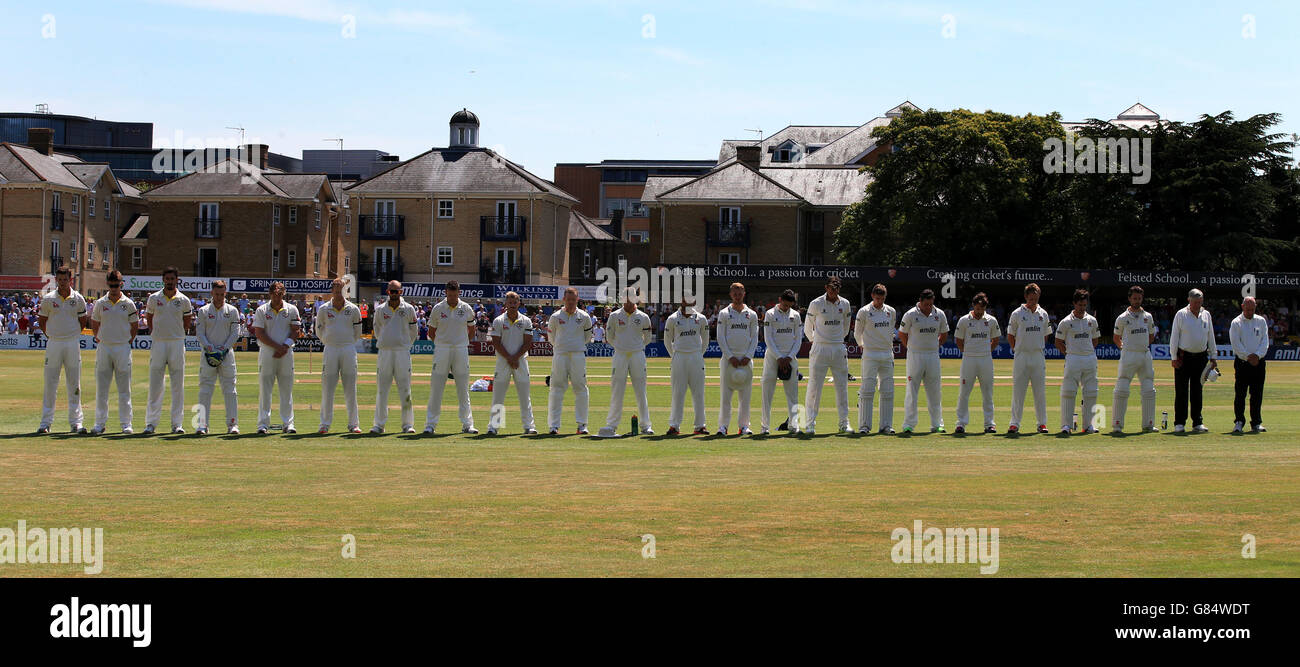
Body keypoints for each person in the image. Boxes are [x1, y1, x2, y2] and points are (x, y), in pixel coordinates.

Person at [37, 266, 89, 434]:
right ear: (56, 280)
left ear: (70, 280)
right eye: (59, 280)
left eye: (65, 280)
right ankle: (45, 423)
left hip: (72, 343)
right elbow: (42, 321)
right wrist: (53, 335)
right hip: (54, 343)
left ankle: (76, 423)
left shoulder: (78, 298)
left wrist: (71, 335)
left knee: (74, 383)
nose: (62, 283)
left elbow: (83, 321)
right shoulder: (49, 299)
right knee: (50, 383)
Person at [143, 266, 194, 434]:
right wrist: (155, 333)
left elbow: (187, 322)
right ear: (163, 280)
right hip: (159, 343)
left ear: (177, 280)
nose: (170, 282)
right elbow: (149, 318)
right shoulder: (153, 298)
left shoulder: (184, 300)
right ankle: (151, 423)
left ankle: (177, 424)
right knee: (156, 384)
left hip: (177, 343)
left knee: (177, 385)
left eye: (172, 279)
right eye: (167, 279)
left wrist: (177, 333)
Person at [424, 281, 478, 434]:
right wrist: (442, 345)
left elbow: (472, 329)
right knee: (437, 388)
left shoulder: (466, 308)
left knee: (463, 387)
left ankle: (468, 424)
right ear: (445, 293)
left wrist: (462, 343)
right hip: (442, 350)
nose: (453, 297)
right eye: (450, 294)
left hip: (460, 350)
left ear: (459, 293)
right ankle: (430, 425)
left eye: (455, 295)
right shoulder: (438, 308)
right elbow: (431, 332)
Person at [599, 290, 655, 437]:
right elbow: (609, 337)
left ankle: (646, 425)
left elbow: (647, 338)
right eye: (626, 298)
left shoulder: (643, 317)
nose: (629, 302)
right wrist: (620, 346)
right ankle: (612, 425)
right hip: (620, 355)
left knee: (641, 391)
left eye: (631, 298)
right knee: (617, 390)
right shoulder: (615, 315)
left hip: (637, 355)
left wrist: (637, 346)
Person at [802, 275, 853, 435]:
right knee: (814, 387)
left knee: (842, 387)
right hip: (820, 349)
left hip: (838, 348)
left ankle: (844, 423)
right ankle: (810, 423)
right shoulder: (816, 303)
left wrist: (836, 340)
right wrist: (817, 341)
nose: (834, 290)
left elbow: (846, 328)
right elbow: (807, 328)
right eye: (831, 287)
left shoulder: (845, 304)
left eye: (837, 287)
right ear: (826, 287)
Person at [90, 271, 138, 435]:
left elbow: (134, 326)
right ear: (107, 284)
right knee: (102, 388)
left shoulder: (129, 303)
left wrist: (126, 341)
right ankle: (99, 424)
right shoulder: (100, 303)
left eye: (116, 285)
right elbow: (95, 323)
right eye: (111, 285)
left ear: (122, 284)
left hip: (122, 348)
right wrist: (100, 338)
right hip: (105, 347)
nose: (114, 288)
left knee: (124, 389)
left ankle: (126, 424)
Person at [252, 282, 301, 434]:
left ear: (284, 294)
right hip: (267, 352)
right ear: (270, 294)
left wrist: (285, 346)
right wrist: (276, 347)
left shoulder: (291, 309)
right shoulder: (261, 310)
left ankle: (288, 423)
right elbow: (259, 333)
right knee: (265, 389)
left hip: (286, 353)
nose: (277, 298)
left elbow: (296, 330)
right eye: (274, 294)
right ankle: (263, 424)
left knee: (286, 389)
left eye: (280, 295)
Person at [898, 288, 949, 434]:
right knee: (912, 390)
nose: (928, 307)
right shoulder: (910, 314)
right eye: (926, 304)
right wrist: (911, 347)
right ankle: (908, 424)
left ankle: (937, 424)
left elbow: (944, 334)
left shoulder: (939, 314)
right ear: (920, 302)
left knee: (934, 391)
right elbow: (902, 334)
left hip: (932, 355)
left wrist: (935, 346)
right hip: (915, 356)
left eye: (931, 304)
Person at [195, 280, 242, 435]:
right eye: (217, 294)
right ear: (212, 293)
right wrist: (210, 348)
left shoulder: (232, 311)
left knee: (230, 390)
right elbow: (200, 333)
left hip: (226, 355)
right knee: (205, 390)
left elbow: (235, 333)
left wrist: (223, 349)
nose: (219, 297)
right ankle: (202, 425)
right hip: (208, 355)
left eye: (222, 294)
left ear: (225, 294)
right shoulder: (203, 311)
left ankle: (232, 424)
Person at [317, 278, 363, 434]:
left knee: (350, 388)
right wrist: (329, 341)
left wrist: (347, 342)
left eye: (341, 291)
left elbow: (357, 332)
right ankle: (324, 424)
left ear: (345, 291)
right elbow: (319, 330)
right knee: (328, 387)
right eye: (336, 291)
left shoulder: (353, 309)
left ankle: (353, 424)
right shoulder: (323, 309)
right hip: (330, 349)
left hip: (348, 349)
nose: (338, 294)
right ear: (332, 291)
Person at [371, 281, 418, 433]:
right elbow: (377, 329)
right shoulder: (380, 310)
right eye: (391, 291)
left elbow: (413, 332)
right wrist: (386, 342)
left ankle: (408, 425)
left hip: (402, 353)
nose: (394, 294)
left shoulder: (409, 309)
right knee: (382, 390)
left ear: (401, 292)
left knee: (405, 389)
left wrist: (403, 344)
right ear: (387, 292)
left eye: (396, 291)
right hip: (385, 352)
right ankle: (379, 425)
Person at [1006, 283, 1053, 434]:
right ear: (1026, 297)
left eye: (1036, 298)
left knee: (1040, 392)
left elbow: (1046, 335)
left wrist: (1037, 347)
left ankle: (1042, 424)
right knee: (1018, 391)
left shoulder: (1043, 314)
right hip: (1021, 356)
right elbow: (1010, 335)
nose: (1033, 301)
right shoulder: (1017, 313)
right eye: (1031, 298)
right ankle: (1014, 424)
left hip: (1038, 356)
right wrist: (1017, 349)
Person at [1111, 285, 1158, 433]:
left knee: (1149, 389)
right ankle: (1117, 425)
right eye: (1134, 298)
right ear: (1129, 298)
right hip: (1128, 355)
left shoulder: (1148, 317)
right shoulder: (1122, 318)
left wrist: (1141, 346)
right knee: (1122, 387)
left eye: (1139, 298)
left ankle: (1148, 424)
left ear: (1142, 298)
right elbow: (1116, 338)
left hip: (1144, 354)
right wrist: (1123, 347)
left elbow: (1151, 336)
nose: (1137, 301)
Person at [1169, 288, 1217, 433]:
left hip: (1201, 357)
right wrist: (1173, 357)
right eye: (1195, 302)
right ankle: (1179, 423)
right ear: (1189, 300)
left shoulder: (1206, 314)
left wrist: (1213, 356)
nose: (1197, 305)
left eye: (1200, 302)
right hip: (1184, 357)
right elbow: (1174, 337)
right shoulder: (1181, 314)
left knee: (1198, 390)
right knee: (1181, 390)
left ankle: (1197, 422)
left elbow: (1211, 336)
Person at [547, 287, 594, 434]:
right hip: (560, 355)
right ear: (564, 300)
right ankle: (554, 426)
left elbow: (587, 338)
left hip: (578, 355)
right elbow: (551, 338)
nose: (571, 302)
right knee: (556, 389)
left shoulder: (584, 317)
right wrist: (562, 347)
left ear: (577, 300)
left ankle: (582, 425)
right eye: (568, 300)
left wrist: (576, 346)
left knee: (580, 389)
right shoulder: (555, 316)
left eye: (573, 300)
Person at [489, 291, 537, 435]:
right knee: (498, 395)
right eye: (510, 302)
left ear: (519, 303)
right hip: (503, 361)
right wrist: (509, 358)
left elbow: (528, 342)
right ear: (506, 304)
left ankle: (529, 426)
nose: (512, 304)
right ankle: (494, 426)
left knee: (524, 395)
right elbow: (496, 343)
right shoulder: (498, 321)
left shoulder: (526, 321)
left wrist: (515, 357)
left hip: (520, 361)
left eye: (515, 302)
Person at [1054, 288, 1101, 435]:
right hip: (1073, 359)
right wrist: (1069, 353)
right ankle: (1066, 426)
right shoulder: (1066, 322)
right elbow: (1058, 342)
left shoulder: (1092, 321)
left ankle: (1089, 425)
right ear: (1074, 304)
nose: (1082, 308)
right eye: (1080, 305)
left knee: (1091, 392)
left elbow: (1095, 340)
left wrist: (1086, 352)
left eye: (1084, 305)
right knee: (1068, 392)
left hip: (1089, 359)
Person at [715, 282, 760, 436]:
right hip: (729, 360)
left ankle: (744, 426)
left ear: (744, 293)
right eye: (735, 293)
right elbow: (720, 337)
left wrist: (748, 356)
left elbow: (754, 337)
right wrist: (730, 356)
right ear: (730, 295)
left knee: (745, 396)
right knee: (726, 396)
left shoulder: (752, 314)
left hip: (746, 359)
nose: (737, 296)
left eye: (740, 293)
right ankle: (723, 427)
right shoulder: (724, 313)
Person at [954, 292, 1001, 434]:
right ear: (973, 306)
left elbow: (996, 340)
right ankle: (961, 423)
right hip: (969, 359)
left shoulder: (991, 320)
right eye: (978, 309)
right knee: (964, 392)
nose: (980, 312)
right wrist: (968, 352)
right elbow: (959, 341)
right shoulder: (963, 320)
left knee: (987, 392)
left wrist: (986, 351)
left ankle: (989, 424)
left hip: (985, 359)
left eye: (982, 309)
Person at [853, 284, 897, 434]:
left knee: (887, 390)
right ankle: (864, 426)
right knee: (867, 390)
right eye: (877, 298)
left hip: (886, 353)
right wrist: (862, 346)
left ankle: (886, 426)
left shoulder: (891, 311)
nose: (879, 302)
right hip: (870, 354)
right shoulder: (864, 311)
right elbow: (857, 333)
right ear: (872, 296)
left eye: (882, 299)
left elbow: (891, 330)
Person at [664, 295, 709, 436]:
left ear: (694, 302)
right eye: (685, 300)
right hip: (679, 357)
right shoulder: (672, 319)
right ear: (681, 301)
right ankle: (674, 426)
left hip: (696, 357)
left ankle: (700, 426)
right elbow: (667, 341)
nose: (688, 303)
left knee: (699, 393)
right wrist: (676, 355)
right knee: (678, 393)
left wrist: (697, 354)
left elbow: (705, 341)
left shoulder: (701, 318)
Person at [760, 289, 802, 435]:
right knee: (767, 393)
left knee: (793, 394)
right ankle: (765, 427)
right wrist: (779, 357)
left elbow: (798, 338)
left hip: (790, 358)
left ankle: (793, 425)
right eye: (784, 305)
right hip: (772, 357)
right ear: (780, 300)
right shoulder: (770, 314)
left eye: (789, 306)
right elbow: (768, 338)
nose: (786, 308)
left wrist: (789, 357)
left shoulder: (795, 315)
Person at [1229, 297, 1269, 433]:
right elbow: (1236, 344)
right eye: (1247, 309)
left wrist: (1257, 355)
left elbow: (1265, 341)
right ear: (1242, 307)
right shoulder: (1236, 323)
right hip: (1242, 363)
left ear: (1255, 307)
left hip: (1259, 363)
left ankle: (1256, 423)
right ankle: (1239, 422)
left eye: (1252, 309)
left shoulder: (1261, 321)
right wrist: (1248, 357)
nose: (1250, 312)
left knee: (1257, 394)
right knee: (1240, 394)